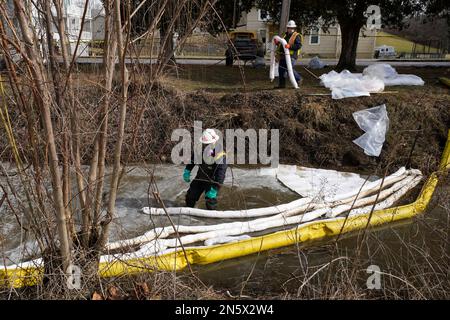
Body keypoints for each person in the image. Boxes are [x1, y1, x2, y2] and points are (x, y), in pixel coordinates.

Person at [183, 129, 227, 210]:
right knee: (190, 197)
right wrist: (187, 170)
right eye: (205, 144)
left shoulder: (220, 155)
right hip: (200, 178)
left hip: (212, 181)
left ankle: (210, 220)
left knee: (211, 203)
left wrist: (215, 189)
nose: (206, 146)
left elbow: (221, 174)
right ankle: (188, 216)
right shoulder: (201, 149)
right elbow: (193, 160)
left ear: (214, 142)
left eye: (208, 144)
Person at [275, 20, 303, 88]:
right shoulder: (285, 35)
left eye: (292, 28)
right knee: (281, 70)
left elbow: (298, 46)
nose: (290, 29)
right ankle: (281, 85)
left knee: (289, 69)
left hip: (291, 56)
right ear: (287, 28)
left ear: (294, 28)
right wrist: (277, 43)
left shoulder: (296, 36)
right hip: (283, 56)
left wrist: (290, 46)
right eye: (289, 28)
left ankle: (298, 79)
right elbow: (282, 44)